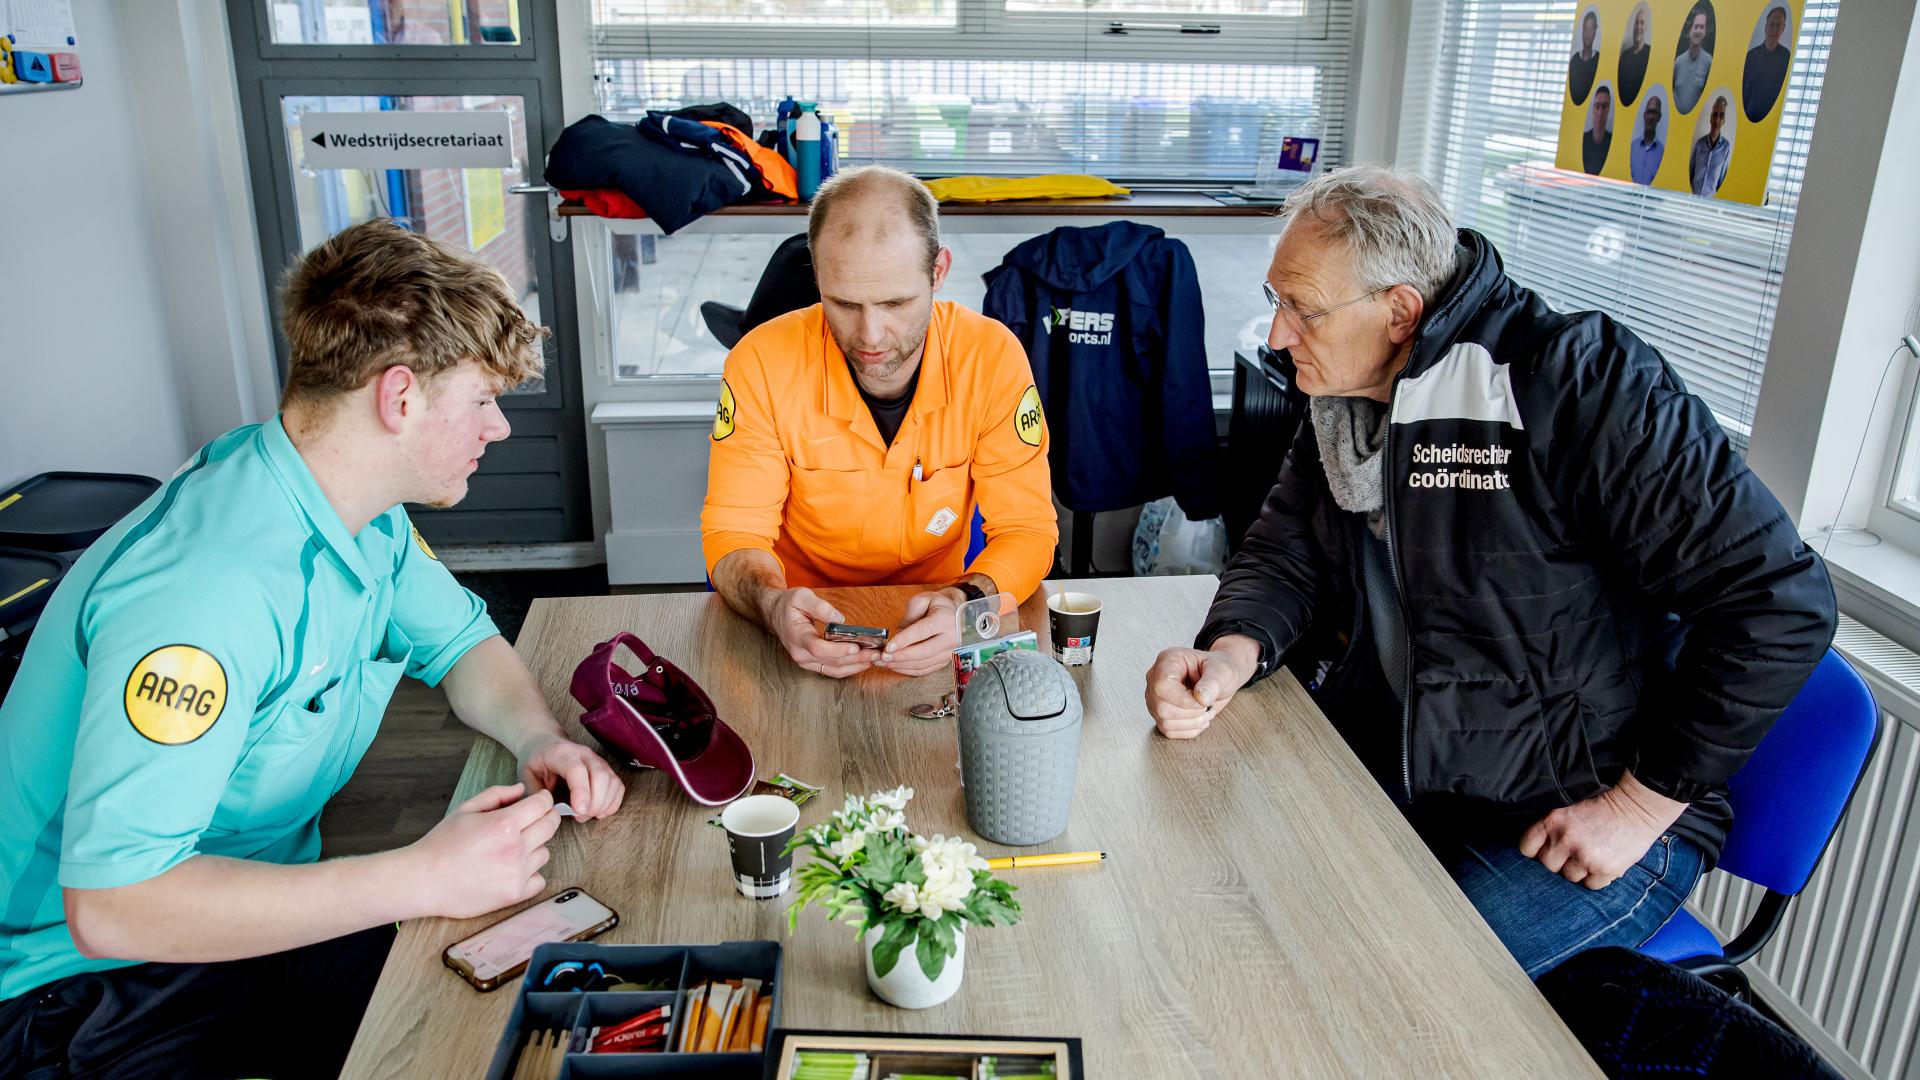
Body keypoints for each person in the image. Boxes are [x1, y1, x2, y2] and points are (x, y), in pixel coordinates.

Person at [1141, 164, 1834, 979]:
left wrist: (1635, 809)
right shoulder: (1343, 403)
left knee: (1381, 993)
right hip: (1408, 779)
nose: (1276, 335)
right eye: (1277, 298)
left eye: (1303, 309)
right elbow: (1284, 551)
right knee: (1222, 916)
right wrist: (1232, 651)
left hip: (1571, 814)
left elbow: (1780, 604)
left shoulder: (1578, 381)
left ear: (1400, 311)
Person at [0, 220, 627, 1078]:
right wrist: (418, 877)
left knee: (536, 1009)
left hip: (262, 919)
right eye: (483, 400)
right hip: (85, 988)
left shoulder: (357, 516)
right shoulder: (205, 592)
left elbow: (463, 644)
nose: (500, 429)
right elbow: (113, 908)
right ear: (399, 398)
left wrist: (537, 738)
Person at [702, 165, 1057, 680]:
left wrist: (965, 602)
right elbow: (733, 531)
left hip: (941, 616)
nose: (870, 335)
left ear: (937, 272)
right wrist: (774, 605)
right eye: (844, 303)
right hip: (800, 624)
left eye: (895, 302)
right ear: (818, 278)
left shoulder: (993, 357)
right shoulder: (758, 362)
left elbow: (1028, 529)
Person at [1743, 6, 1791, 122]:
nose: (1774, 30)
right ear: (1765, 27)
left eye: (1778, 25)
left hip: (1771, 122)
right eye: (1771, 25)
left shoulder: (1787, 58)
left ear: (1783, 29)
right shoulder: (1751, 56)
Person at [1673, 8, 1714, 114]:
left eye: (1702, 27)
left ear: (1705, 32)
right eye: (1695, 27)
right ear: (1690, 30)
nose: (1698, 31)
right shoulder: (1678, 62)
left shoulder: (1709, 62)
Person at [1691, 95, 1734, 196]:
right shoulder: (1699, 144)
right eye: (1715, 115)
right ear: (1710, 118)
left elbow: (1721, 182)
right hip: (1691, 200)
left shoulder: (1726, 149)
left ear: (1724, 121)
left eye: (1721, 116)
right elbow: (1690, 173)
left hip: (1709, 205)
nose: (1717, 120)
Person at [1617, 7, 1651, 105]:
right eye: (1636, 23)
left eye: (1642, 22)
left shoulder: (1650, 54)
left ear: (1646, 27)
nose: (1639, 27)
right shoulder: (1624, 57)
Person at [1630, 93, 1666, 184]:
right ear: (1644, 115)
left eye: (1654, 113)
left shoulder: (1663, 154)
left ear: (1659, 117)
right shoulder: (1631, 148)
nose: (1650, 117)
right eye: (1648, 112)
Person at [1568, 10, 1601, 106]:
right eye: (1586, 28)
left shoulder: (1598, 60)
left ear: (1595, 32)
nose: (1588, 33)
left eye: (1591, 29)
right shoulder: (1574, 60)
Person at [1582, 86, 1614, 175]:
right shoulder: (1582, 140)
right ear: (1593, 109)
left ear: (1609, 109)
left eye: (1604, 106)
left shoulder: (1613, 142)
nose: (1600, 113)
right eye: (1597, 106)